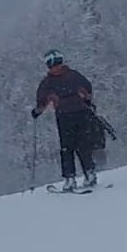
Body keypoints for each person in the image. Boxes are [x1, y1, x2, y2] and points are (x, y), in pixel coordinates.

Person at [32, 49, 98, 189]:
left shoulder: (66, 78)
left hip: (77, 114)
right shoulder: (54, 81)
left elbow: (87, 90)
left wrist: (88, 101)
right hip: (66, 115)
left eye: (58, 63)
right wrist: (38, 111)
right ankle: (72, 177)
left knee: (79, 146)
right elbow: (42, 100)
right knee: (69, 147)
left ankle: (87, 173)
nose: (56, 67)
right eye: (53, 64)